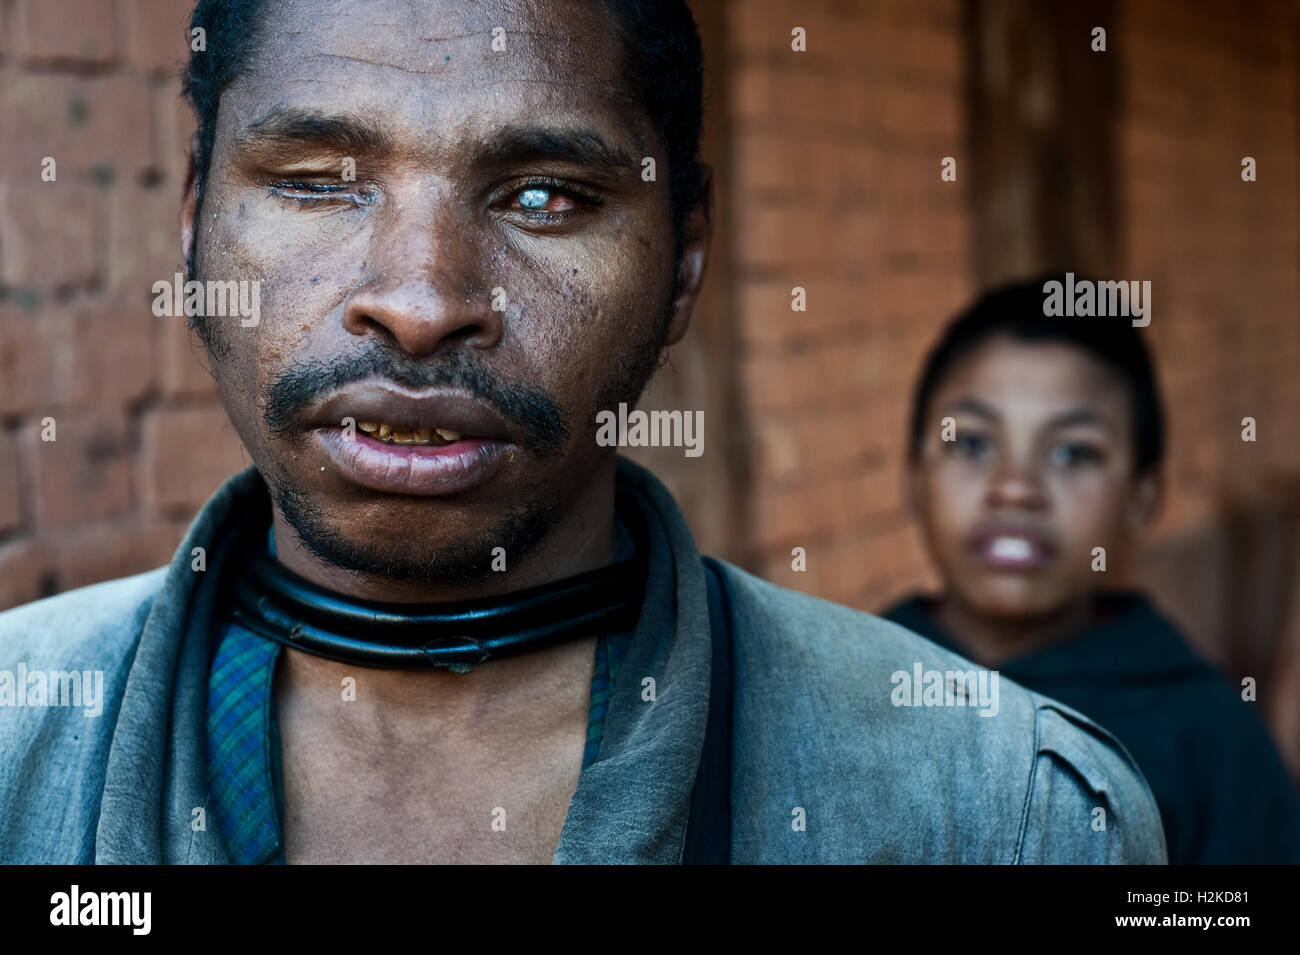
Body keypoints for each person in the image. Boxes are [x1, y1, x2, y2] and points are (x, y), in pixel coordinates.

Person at [0, 2, 1163, 865]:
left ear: (684, 257)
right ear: (197, 216)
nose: (418, 301)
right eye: (315, 181)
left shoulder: (1004, 817)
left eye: (544, 197)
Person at [884, 277, 1300, 863]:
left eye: (1073, 452)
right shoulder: (845, 691)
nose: (1015, 489)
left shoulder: (1209, 741)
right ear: (913, 476)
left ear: (1143, 496)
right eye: (972, 443)